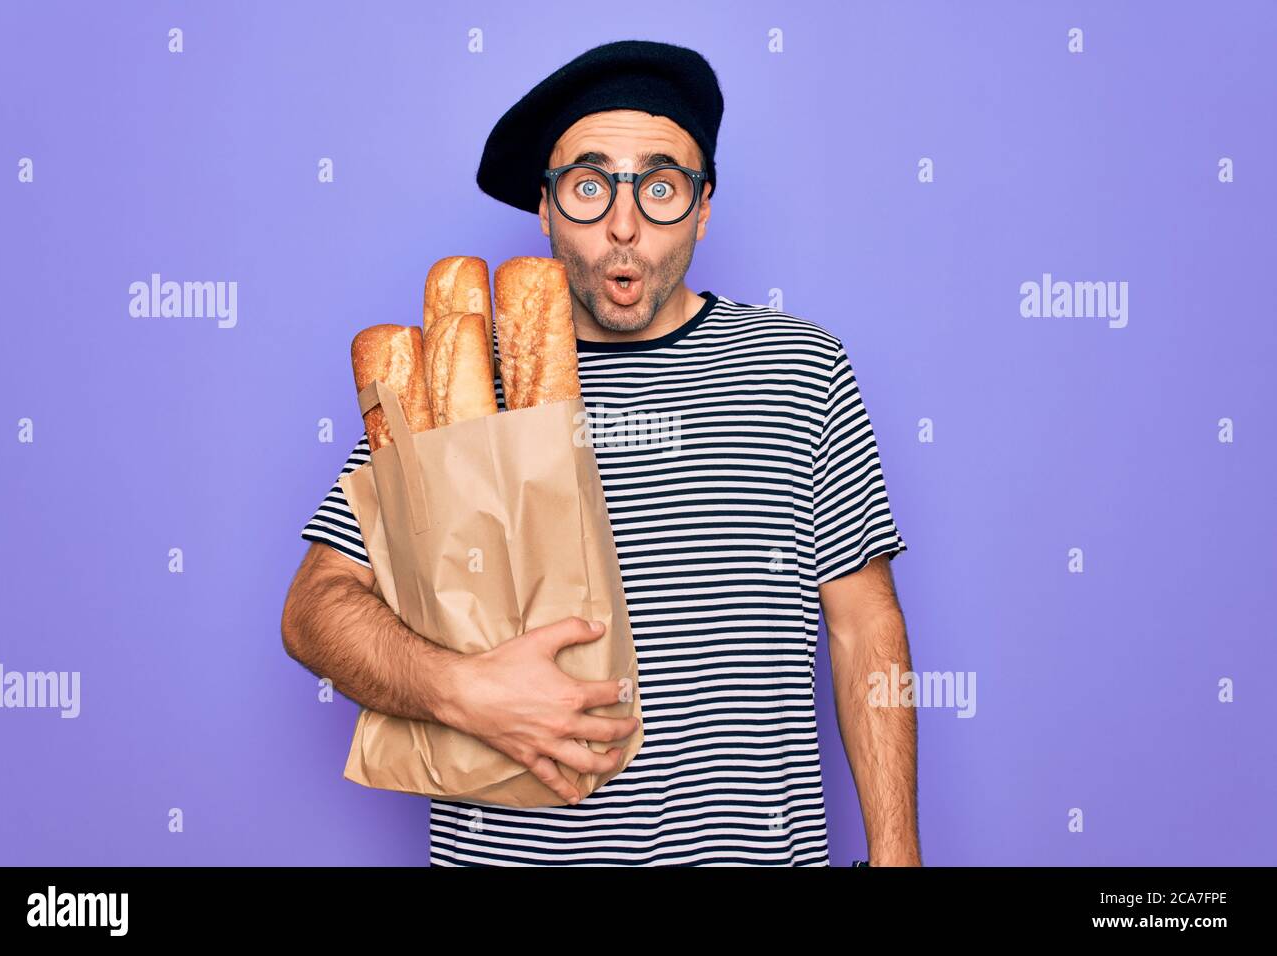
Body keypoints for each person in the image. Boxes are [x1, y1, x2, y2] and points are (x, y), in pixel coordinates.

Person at [282, 39, 918, 866]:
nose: (624, 226)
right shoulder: (458, 384)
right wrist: (459, 690)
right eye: (589, 186)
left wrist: (898, 857)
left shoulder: (799, 367)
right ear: (544, 208)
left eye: (660, 186)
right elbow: (314, 608)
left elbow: (866, 626)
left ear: (704, 205)